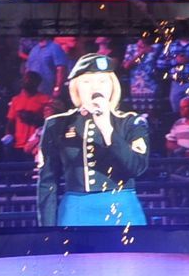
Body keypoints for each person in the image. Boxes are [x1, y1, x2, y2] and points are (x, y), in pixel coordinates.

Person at [35, 53, 149, 227]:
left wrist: (107, 130)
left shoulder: (131, 122)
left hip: (122, 209)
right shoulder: (56, 124)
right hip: (76, 212)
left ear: (112, 86)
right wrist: (47, 230)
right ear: (76, 87)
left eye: (102, 81)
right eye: (87, 82)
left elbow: (136, 167)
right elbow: (47, 183)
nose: (95, 88)